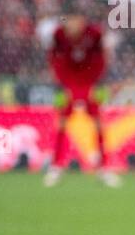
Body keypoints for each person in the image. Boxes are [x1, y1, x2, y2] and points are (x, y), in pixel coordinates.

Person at [44, 11, 119, 188]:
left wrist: (95, 84)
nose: (72, 25)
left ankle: (103, 168)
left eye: (76, 21)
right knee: (62, 122)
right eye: (69, 21)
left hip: (90, 84)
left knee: (99, 123)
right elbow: (54, 62)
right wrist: (63, 85)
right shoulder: (58, 35)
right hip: (67, 86)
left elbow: (102, 60)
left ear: (82, 20)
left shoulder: (95, 34)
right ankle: (56, 167)